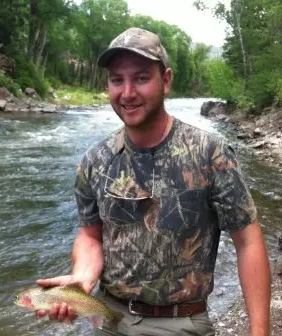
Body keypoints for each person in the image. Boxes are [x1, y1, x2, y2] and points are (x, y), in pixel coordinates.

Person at [35, 28, 271, 335]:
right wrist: (81, 279)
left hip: (182, 322)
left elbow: (248, 242)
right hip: (109, 318)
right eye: (117, 79)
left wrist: (260, 332)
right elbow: (90, 235)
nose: (127, 92)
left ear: (167, 80)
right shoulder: (95, 160)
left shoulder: (210, 153)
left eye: (142, 78)